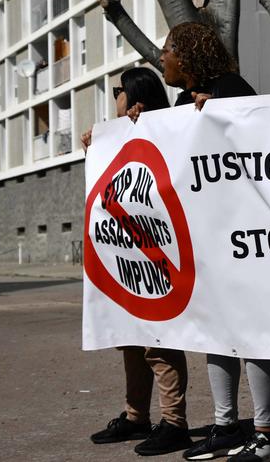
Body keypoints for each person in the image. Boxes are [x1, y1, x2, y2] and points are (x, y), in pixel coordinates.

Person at [153, 22, 270, 462]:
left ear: (188, 55)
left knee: (253, 335)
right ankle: (226, 426)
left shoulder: (232, 89)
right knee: (217, 332)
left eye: (168, 50)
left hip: (244, 239)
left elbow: (263, 141)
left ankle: (267, 435)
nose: (162, 58)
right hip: (207, 241)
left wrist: (222, 114)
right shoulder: (179, 103)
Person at [82, 67, 193, 458]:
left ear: (134, 95)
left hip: (157, 255)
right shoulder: (122, 136)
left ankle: (174, 423)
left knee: (158, 345)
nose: (114, 97)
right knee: (131, 339)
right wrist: (96, 148)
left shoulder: (169, 128)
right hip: (127, 256)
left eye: (118, 90)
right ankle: (136, 416)